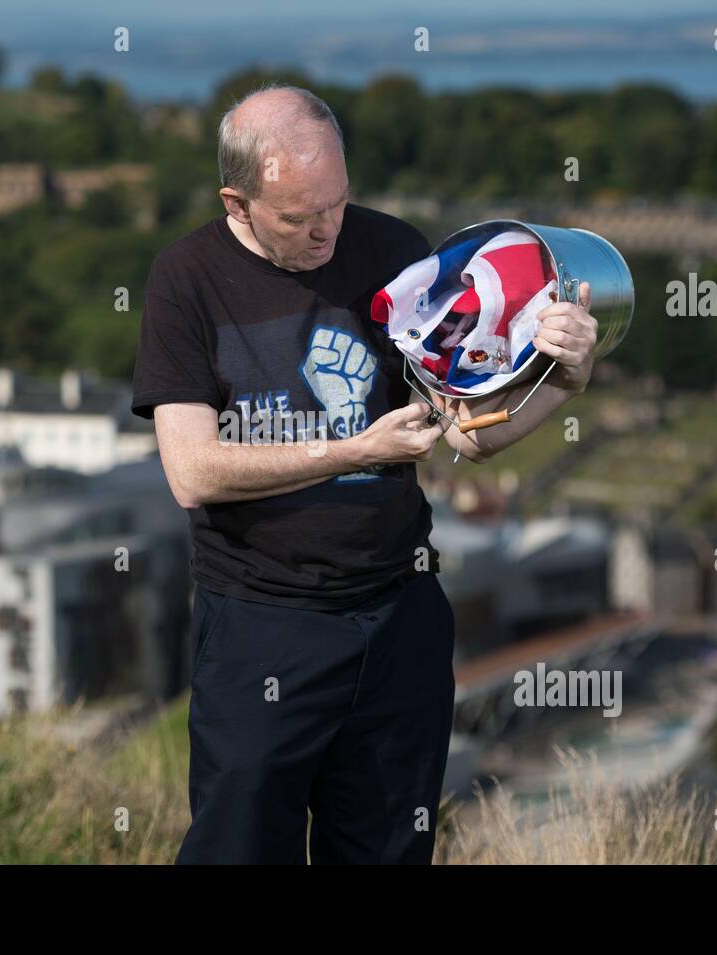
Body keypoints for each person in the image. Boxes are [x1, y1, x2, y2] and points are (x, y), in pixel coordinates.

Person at [130, 83, 599, 864]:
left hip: (399, 617)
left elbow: (468, 435)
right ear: (237, 202)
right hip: (262, 624)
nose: (326, 231)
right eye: (299, 216)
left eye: (337, 204)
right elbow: (193, 472)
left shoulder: (392, 250)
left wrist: (561, 379)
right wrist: (354, 451)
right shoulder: (186, 278)